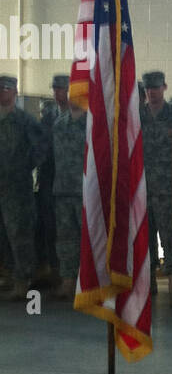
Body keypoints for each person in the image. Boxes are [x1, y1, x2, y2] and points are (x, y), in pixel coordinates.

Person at [140, 70, 172, 307]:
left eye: (156, 87)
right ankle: (147, 285)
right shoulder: (137, 116)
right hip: (141, 190)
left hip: (168, 189)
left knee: (171, 238)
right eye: (149, 88)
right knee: (144, 239)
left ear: (165, 87)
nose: (152, 92)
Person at [0, 74, 46, 301]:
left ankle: (23, 278)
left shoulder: (25, 120)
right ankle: (7, 274)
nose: (3, 92)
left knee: (20, 234)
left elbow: (40, 150)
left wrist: (22, 167)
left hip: (17, 188)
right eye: (0, 89)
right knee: (3, 235)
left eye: (7, 89)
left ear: (15, 92)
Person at [35, 73, 70, 285]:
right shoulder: (49, 116)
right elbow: (40, 146)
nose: (58, 93)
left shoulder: (82, 116)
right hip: (50, 179)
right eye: (55, 89)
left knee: (71, 230)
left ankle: (71, 274)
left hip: (73, 181)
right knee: (50, 226)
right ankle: (55, 270)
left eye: (62, 89)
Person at [52, 101, 87, 298]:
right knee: (66, 239)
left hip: (86, 192)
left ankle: (89, 283)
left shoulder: (93, 124)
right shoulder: (58, 124)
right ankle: (68, 281)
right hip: (63, 190)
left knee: (89, 239)